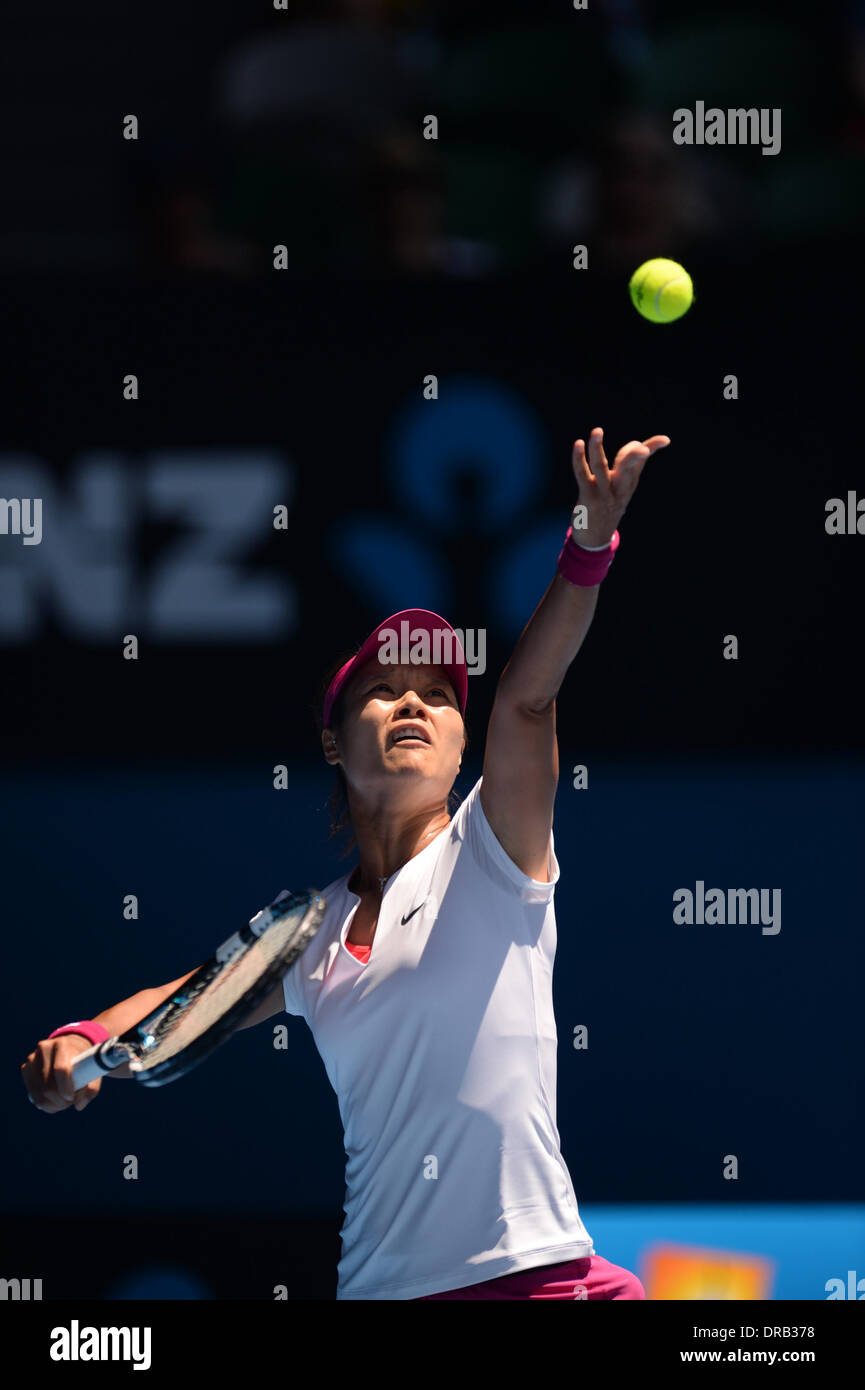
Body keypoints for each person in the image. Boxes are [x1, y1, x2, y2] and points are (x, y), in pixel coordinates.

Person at [21, 425, 669, 1300]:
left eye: (439, 696)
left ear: (458, 743)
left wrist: (588, 544)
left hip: (538, 1278)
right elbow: (184, 1000)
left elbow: (526, 700)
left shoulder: (494, 845)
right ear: (332, 740)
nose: (413, 701)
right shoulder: (307, 934)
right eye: (384, 689)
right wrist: (85, 1038)